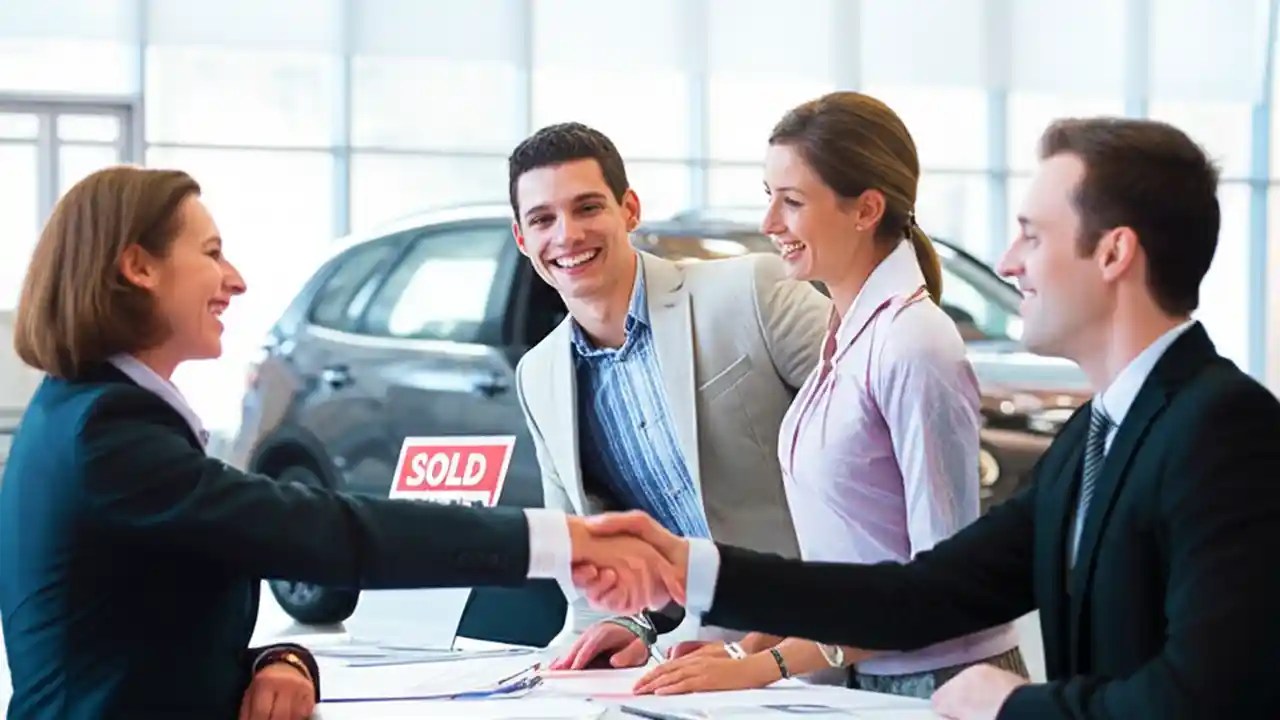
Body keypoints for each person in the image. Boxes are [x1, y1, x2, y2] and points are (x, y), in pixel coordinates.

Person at [582, 116, 1280, 720]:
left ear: (1114, 253)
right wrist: (691, 568)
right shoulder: (1094, 437)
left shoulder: (1225, 431)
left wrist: (1013, 705)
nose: (1009, 263)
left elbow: (1205, 696)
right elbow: (924, 591)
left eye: (1032, 237)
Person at [0, 166, 687, 720]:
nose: (235, 280)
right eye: (210, 253)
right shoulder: (106, 435)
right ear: (138, 268)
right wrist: (564, 542)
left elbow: (140, 641)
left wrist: (281, 659)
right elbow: (322, 531)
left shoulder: (85, 414)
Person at [633, 92, 1025, 698]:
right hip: (869, 676)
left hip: (940, 683)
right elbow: (849, 559)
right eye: (770, 196)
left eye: (792, 201)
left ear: (866, 208)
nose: (769, 223)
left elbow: (939, 588)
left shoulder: (913, 344)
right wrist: (747, 644)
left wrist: (763, 665)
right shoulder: (846, 335)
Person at [508, 122, 830, 669]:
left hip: (814, 643)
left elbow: (876, 451)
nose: (567, 235)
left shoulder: (751, 292)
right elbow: (587, 565)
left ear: (629, 209)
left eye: (587, 208)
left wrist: (795, 624)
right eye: (543, 219)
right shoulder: (539, 376)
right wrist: (631, 622)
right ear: (522, 238)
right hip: (685, 662)